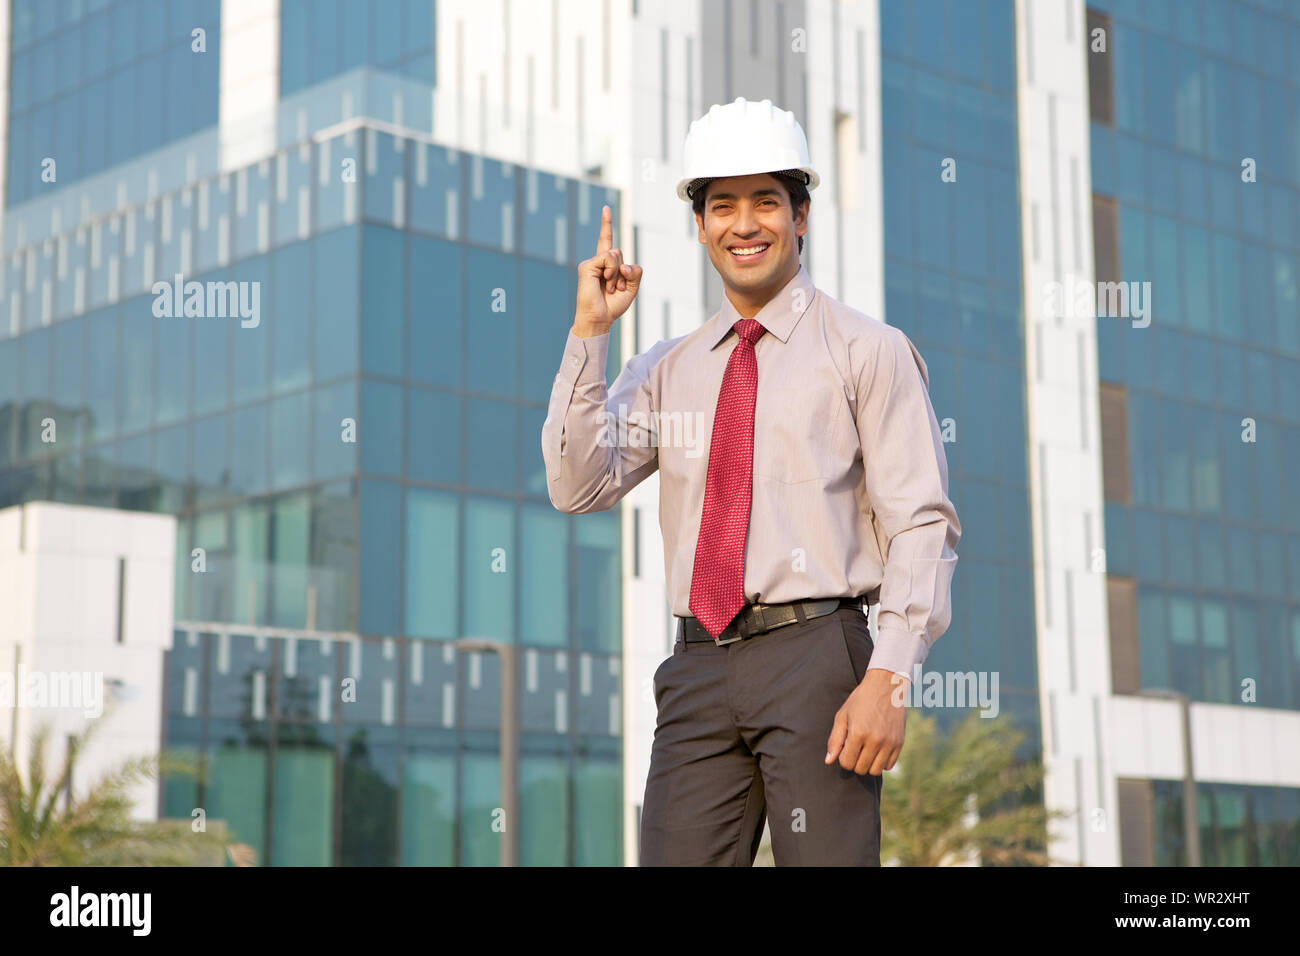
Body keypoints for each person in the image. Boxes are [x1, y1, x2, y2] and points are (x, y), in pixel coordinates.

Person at [541, 96, 961, 865]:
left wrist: (890, 678)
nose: (745, 224)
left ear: (801, 215)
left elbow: (921, 526)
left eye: (767, 201)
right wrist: (591, 333)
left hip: (820, 660)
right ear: (699, 225)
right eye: (723, 205)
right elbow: (577, 485)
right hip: (698, 665)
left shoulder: (868, 350)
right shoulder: (667, 369)